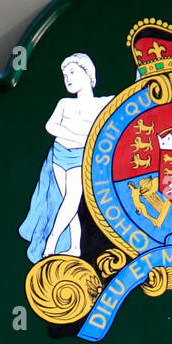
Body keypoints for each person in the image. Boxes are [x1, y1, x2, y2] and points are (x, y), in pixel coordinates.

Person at [19, 54, 110, 262]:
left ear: (87, 73)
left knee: (71, 200)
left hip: (80, 158)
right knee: (67, 204)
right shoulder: (64, 103)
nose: (67, 78)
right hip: (59, 155)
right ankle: (75, 246)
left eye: (72, 72)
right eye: (64, 75)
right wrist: (81, 136)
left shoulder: (101, 104)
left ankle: (51, 243)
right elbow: (50, 126)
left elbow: (128, 98)